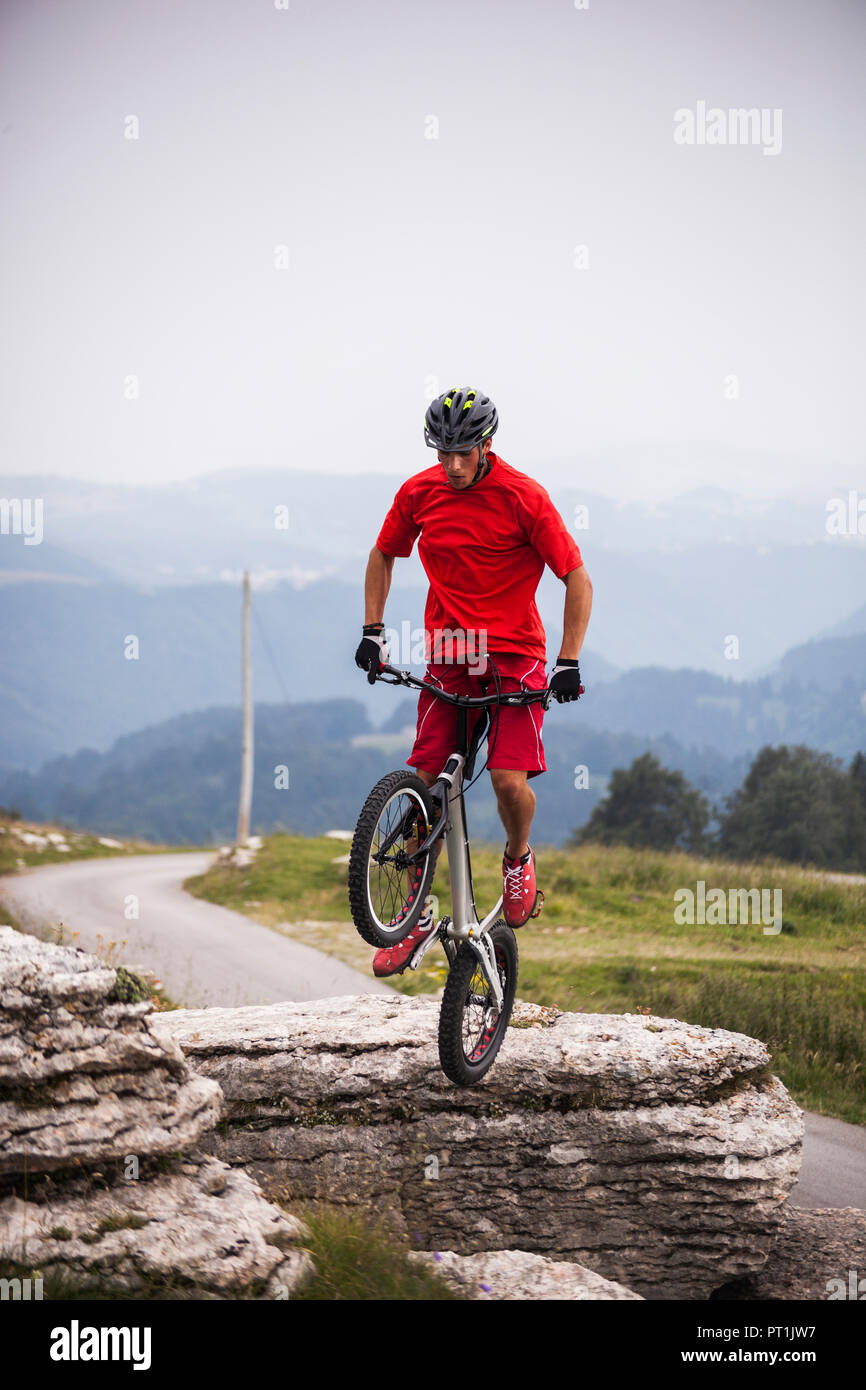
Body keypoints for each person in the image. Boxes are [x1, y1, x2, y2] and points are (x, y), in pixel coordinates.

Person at [355, 386, 592, 976]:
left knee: (508, 784)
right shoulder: (420, 492)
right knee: (425, 786)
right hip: (451, 654)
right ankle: (414, 913)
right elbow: (384, 554)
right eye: (444, 453)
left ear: (488, 443)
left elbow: (577, 579)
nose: (454, 466)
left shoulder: (523, 497)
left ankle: (517, 859)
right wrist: (373, 630)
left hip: (517, 655)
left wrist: (568, 660)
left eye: (465, 452)